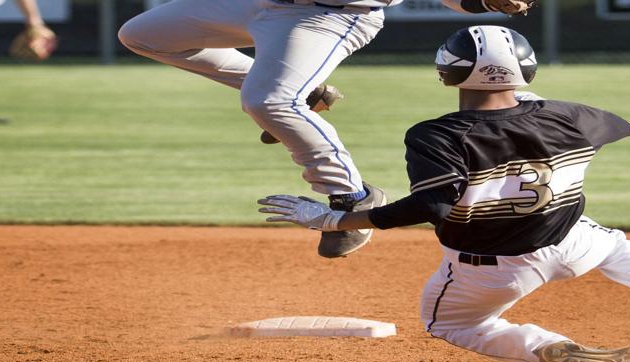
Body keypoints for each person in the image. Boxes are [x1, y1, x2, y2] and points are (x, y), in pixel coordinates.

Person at [257, 25, 630, 362]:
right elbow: (619, 124)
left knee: (451, 325)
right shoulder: (572, 115)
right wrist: (532, 107)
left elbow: (433, 207)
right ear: (527, 71)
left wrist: (333, 219)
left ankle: (557, 351)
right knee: (624, 251)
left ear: (446, 71)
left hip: (494, 266)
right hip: (572, 240)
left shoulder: (436, 134)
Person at [118, 0, 535, 260]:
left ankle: (352, 195)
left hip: (329, 14)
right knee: (142, 34)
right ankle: (305, 90)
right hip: (256, 3)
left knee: (270, 102)